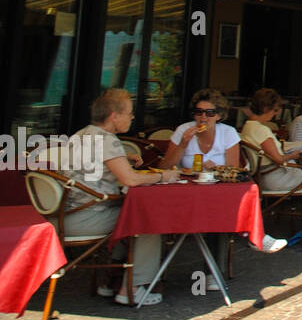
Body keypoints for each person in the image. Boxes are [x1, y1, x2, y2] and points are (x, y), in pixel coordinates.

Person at [59, 89, 177, 305]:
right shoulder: (107, 140)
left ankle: (111, 281)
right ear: (114, 115)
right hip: (87, 218)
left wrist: (123, 159)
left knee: (129, 212)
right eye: (130, 113)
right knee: (148, 220)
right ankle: (132, 288)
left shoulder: (81, 134)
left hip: (65, 215)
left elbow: (94, 168)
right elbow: (130, 180)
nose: (132, 117)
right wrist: (164, 175)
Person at [242, 88, 302, 219]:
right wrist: (293, 155)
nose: (276, 114)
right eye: (275, 109)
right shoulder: (261, 130)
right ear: (266, 108)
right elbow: (279, 160)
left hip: (265, 177)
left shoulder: (248, 126)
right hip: (278, 178)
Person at [160, 89, 241, 171]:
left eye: (210, 113)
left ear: (219, 116)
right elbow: (163, 168)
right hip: (186, 182)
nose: (203, 117)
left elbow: (234, 171)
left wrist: (216, 170)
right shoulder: (183, 130)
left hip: (218, 182)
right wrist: (182, 144)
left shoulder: (228, 132)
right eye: (199, 111)